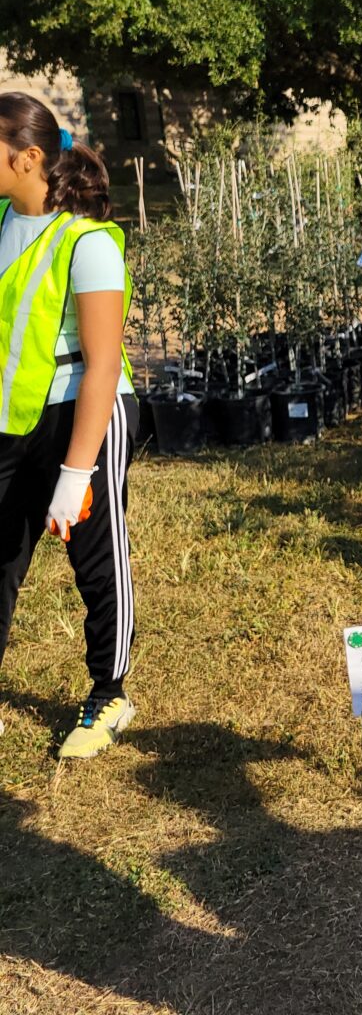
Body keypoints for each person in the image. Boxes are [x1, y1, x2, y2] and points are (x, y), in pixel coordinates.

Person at [0, 93, 139, 754]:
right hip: (12, 418)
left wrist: (75, 473)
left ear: (25, 157)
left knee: (96, 558)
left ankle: (108, 695)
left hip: (84, 415)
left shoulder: (87, 243)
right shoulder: (1, 221)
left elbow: (104, 366)